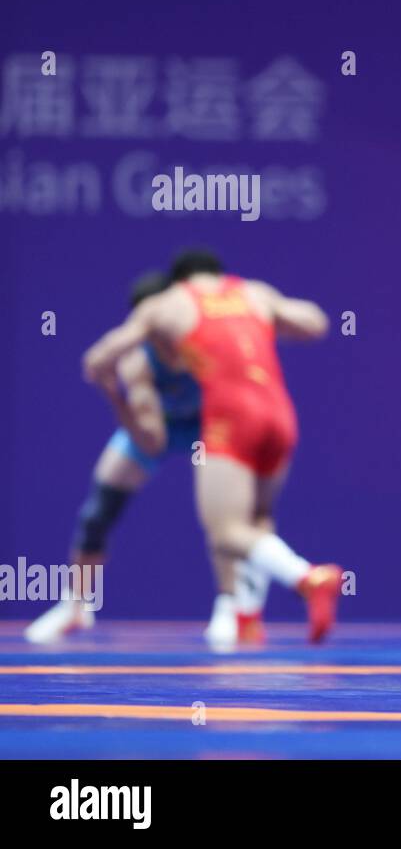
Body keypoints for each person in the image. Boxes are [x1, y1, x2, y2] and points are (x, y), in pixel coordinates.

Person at [81, 249, 342, 643]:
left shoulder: (166, 304)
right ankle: (247, 617)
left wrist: (104, 381)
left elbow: (98, 359)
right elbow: (316, 323)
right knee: (258, 518)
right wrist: (262, 324)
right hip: (280, 415)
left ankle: (308, 578)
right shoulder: (252, 293)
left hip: (232, 419)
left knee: (225, 531)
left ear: (181, 281)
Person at [25, 271, 270, 648]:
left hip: (208, 428)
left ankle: (229, 605)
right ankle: (75, 604)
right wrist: (114, 396)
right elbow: (151, 440)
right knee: (97, 510)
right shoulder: (136, 363)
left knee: (222, 517)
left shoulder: (203, 345)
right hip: (160, 429)